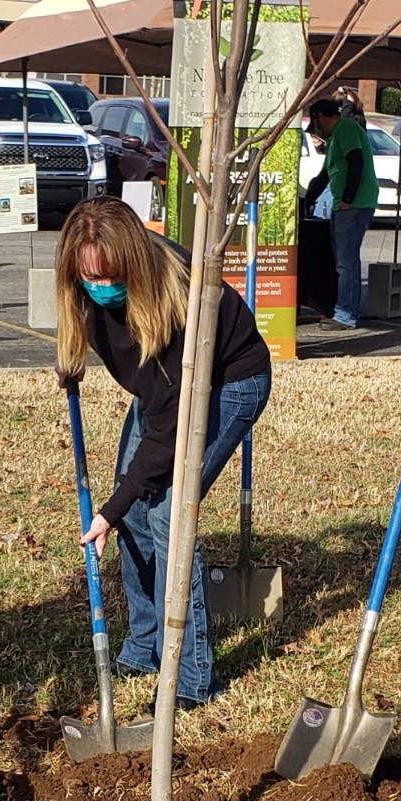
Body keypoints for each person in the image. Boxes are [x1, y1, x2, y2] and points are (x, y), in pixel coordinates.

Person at [55, 196, 272, 708]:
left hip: (226, 384)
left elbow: (166, 437)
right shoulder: (86, 284)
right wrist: (71, 355)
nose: (99, 287)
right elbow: (149, 394)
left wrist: (110, 508)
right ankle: (145, 644)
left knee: (167, 519)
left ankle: (192, 678)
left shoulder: (180, 303)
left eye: (111, 277)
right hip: (162, 395)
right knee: (134, 516)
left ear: (135, 265)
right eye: (89, 278)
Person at [302, 98, 377, 327]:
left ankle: (345, 315)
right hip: (345, 205)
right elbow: (324, 175)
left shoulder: (346, 128)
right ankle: (347, 311)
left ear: (320, 117)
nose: (317, 132)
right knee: (345, 261)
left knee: (346, 262)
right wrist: (307, 201)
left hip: (353, 205)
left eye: (316, 125)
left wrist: (347, 198)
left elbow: (357, 161)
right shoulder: (336, 138)